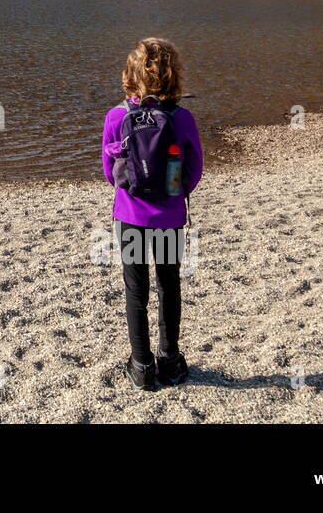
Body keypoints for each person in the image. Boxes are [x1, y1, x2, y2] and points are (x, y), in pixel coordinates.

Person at [101, 37, 203, 390]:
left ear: (130, 74)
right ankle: (171, 362)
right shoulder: (183, 118)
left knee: (135, 289)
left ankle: (142, 366)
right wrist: (174, 194)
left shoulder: (117, 116)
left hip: (130, 216)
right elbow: (195, 171)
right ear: (174, 74)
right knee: (169, 284)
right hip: (170, 218)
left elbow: (108, 172)